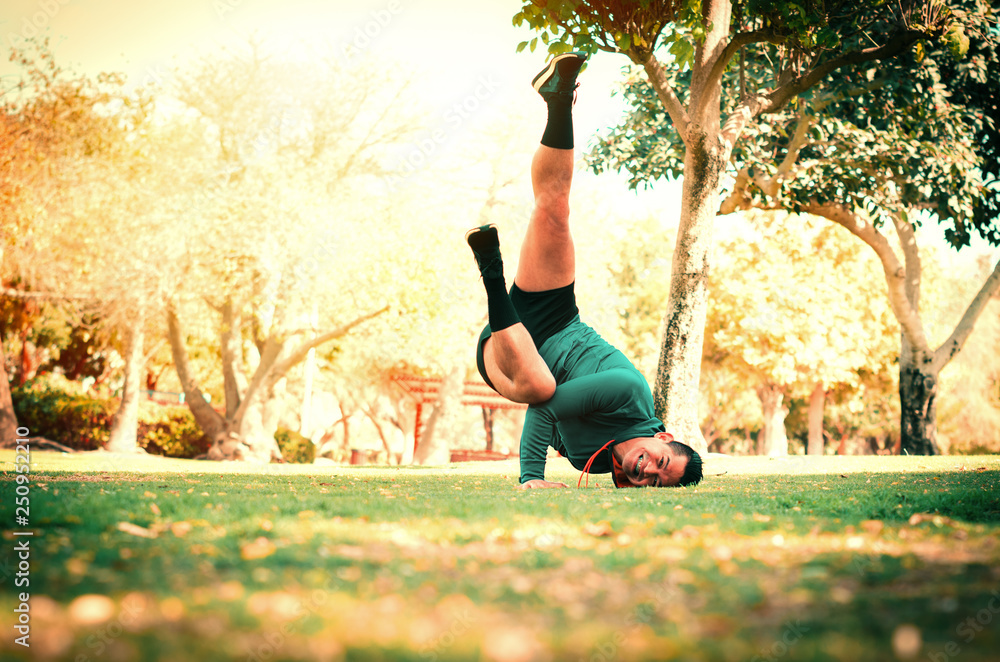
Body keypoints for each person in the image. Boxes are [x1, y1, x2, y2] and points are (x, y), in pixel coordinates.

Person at [466, 52, 703, 490]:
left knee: (538, 385)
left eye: (655, 482)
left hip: (506, 356)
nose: (650, 470)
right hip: (554, 317)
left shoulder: (592, 463)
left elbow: (544, 411)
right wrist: (532, 477)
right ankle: (558, 100)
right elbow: (549, 412)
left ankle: (491, 273)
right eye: (662, 462)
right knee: (555, 208)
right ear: (663, 438)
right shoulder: (629, 393)